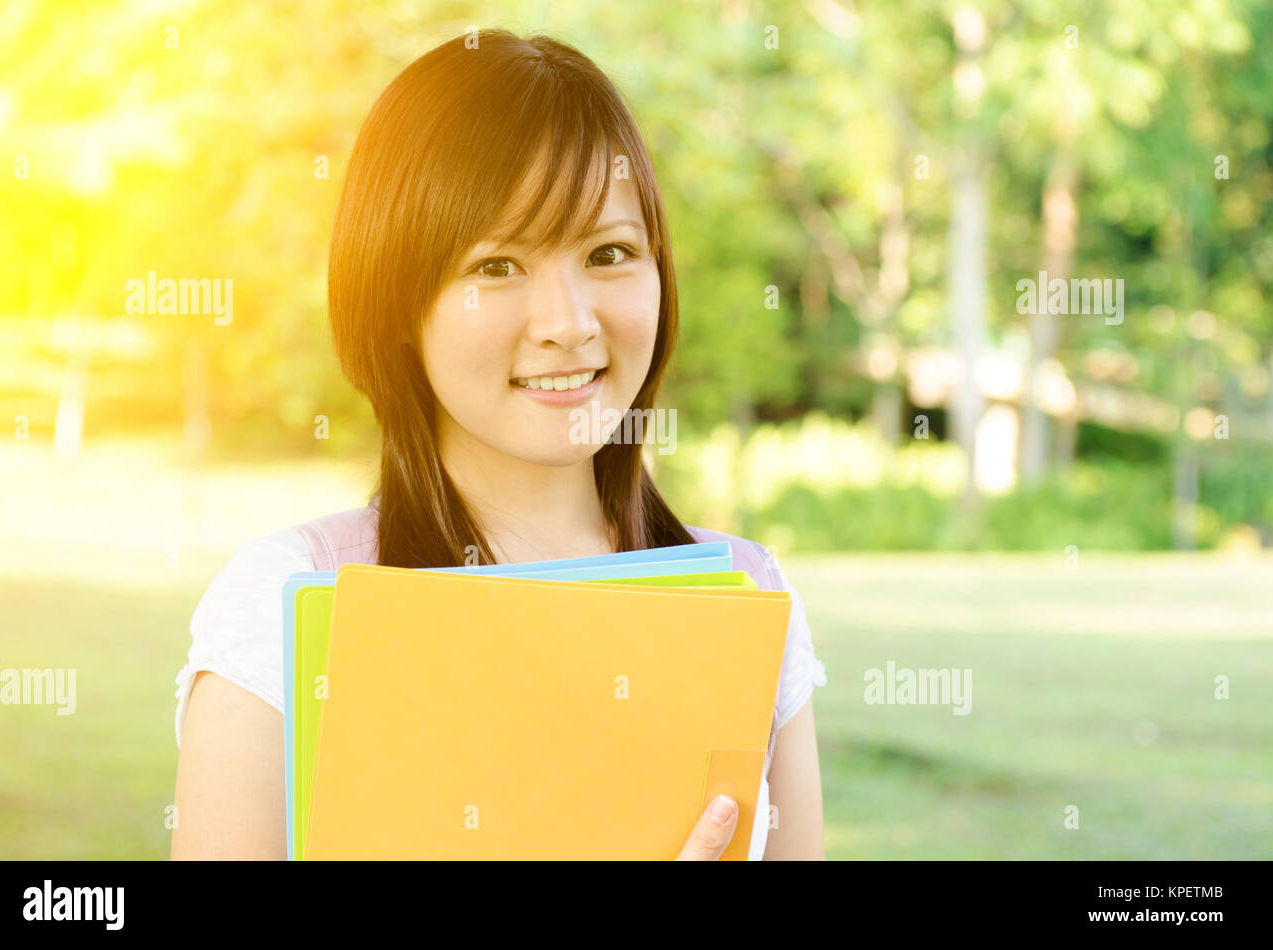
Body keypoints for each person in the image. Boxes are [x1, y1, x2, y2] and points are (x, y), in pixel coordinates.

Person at [170, 28, 827, 861]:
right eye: (497, 266)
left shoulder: (750, 599)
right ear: (398, 299)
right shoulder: (283, 605)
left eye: (609, 253)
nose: (569, 323)